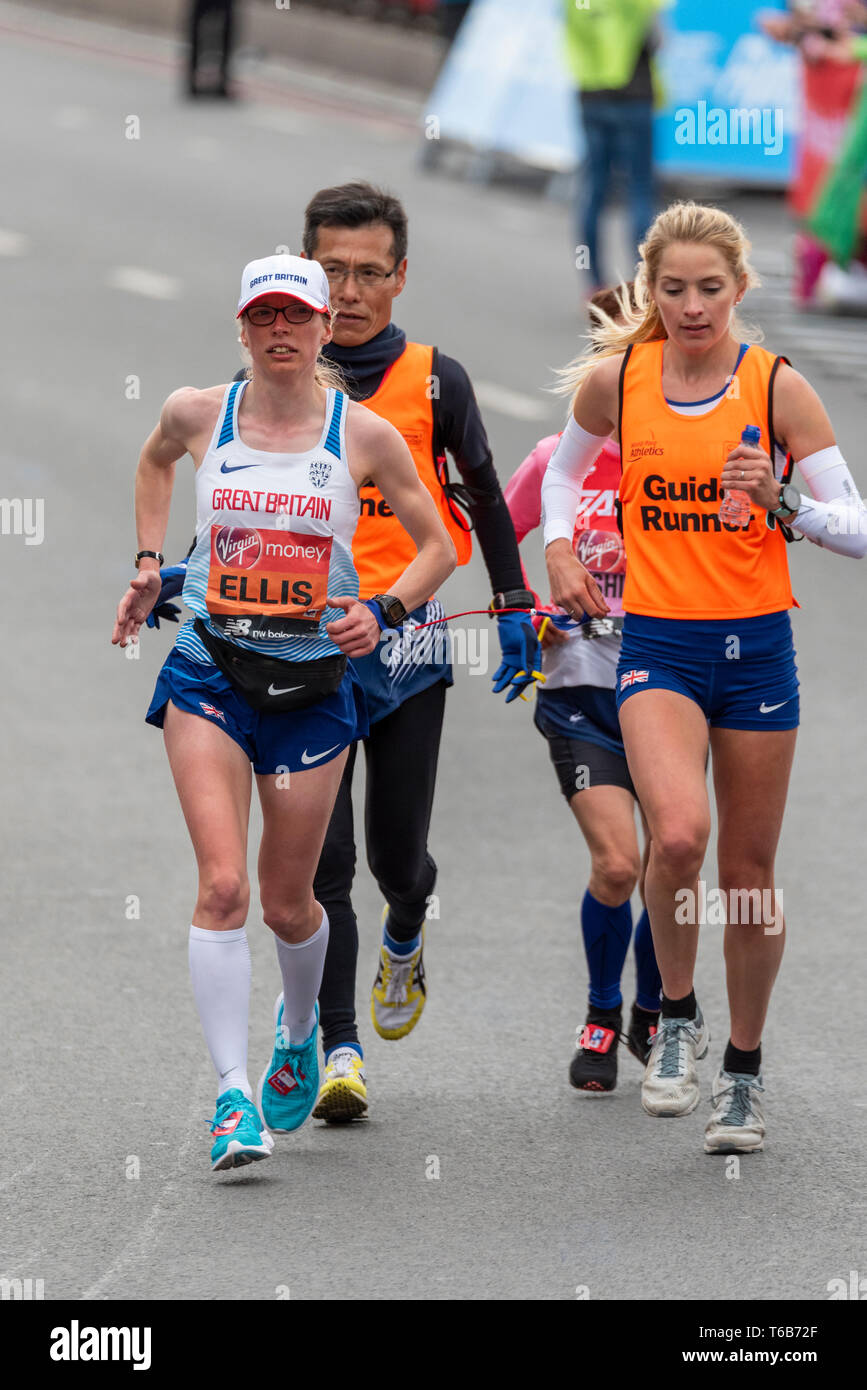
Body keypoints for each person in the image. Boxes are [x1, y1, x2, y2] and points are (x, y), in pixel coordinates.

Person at [147, 187, 541, 1126]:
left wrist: (513, 600)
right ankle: (334, 1050)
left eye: (370, 272)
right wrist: (173, 577)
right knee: (311, 873)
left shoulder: (431, 384)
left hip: (397, 648)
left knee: (396, 859)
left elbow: (479, 500)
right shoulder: (238, 395)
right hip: (286, 656)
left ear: (398, 279)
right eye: (334, 270)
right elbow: (215, 508)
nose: (352, 288)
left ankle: (407, 925)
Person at [112, 253, 456, 1170]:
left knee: (289, 902)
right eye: (263, 316)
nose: (279, 332)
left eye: (295, 318)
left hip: (311, 689)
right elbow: (151, 462)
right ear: (242, 327)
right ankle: (232, 1099)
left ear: (319, 330)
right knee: (222, 887)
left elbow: (437, 546)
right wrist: (151, 564)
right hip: (209, 672)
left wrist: (379, 612)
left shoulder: (364, 433)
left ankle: (298, 1028)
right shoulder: (199, 414)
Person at [542, 202, 866, 1152]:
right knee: (675, 839)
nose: (691, 308)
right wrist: (561, 550)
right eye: (673, 290)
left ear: (738, 288)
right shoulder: (620, 381)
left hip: (757, 651)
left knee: (749, 876)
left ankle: (744, 1071)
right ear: (651, 290)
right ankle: (673, 1014)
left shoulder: (776, 390)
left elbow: (857, 525)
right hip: (660, 649)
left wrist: (786, 504)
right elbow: (563, 476)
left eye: (710, 290)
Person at [504, 285, 662, 1094]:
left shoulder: (680, 459)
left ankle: (656, 1009)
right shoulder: (553, 461)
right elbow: (495, 539)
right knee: (616, 865)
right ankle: (603, 1014)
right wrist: (530, 613)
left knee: (670, 862)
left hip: (673, 694)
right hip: (579, 695)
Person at [562, 0, 664, 292]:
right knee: (640, 191)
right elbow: (657, 39)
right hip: (635, 96)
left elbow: (573, 34)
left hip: (592, 95)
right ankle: (643, 288)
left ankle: (594, 285)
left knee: (594, 190)